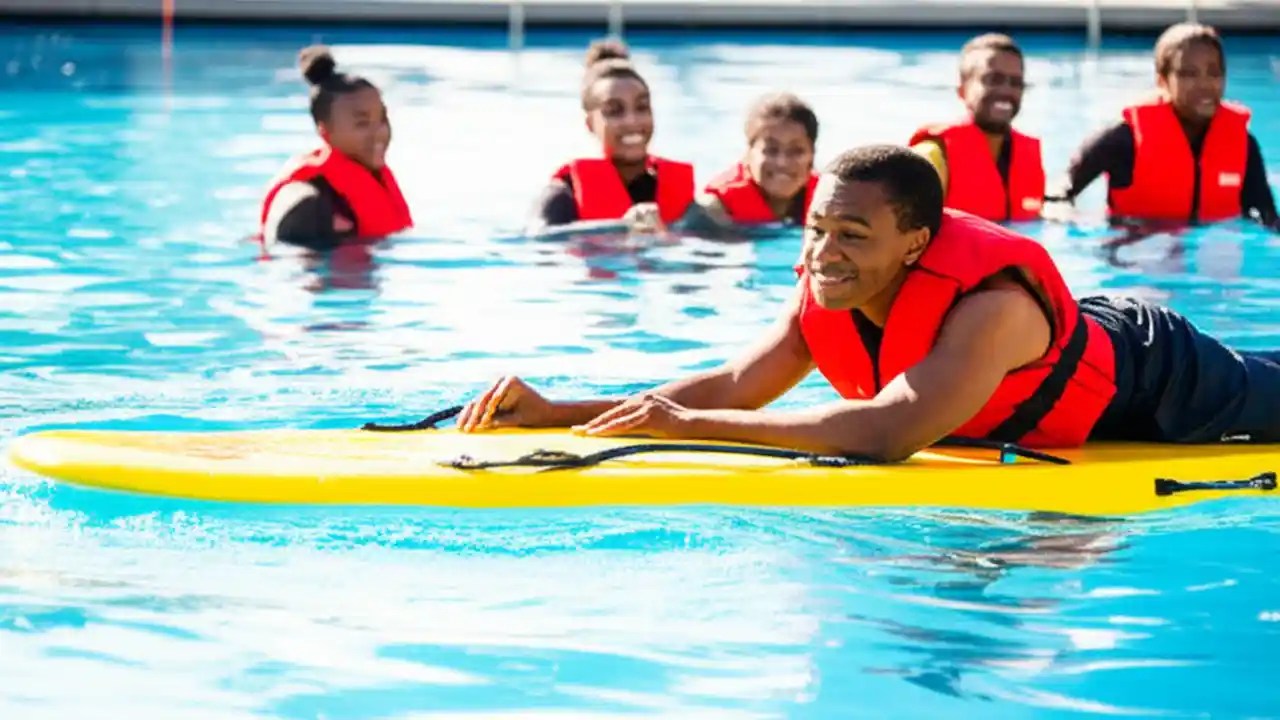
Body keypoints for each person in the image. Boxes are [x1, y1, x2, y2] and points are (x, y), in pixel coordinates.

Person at [458, 144, 1280, 460]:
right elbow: (736, 385)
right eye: (818, 228)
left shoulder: (990, 308)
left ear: (916, 244)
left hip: (1157, 378)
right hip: (1070, 384)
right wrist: (555, 410)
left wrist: (691, 432)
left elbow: (887, 433)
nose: (824, 252)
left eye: (853, 234)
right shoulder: (828, 285)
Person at [1044, 22, 1278, 229]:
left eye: (1214, 73)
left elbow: (1265, 214)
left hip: (1217, 257)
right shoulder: (1124, 138)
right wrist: (1063, 211)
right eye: (1189, 74)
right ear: (1162, 80)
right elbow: (1062, 188)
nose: (1205, 85)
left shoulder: (1243, 143)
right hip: (1137, 255)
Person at [525, 39, 696, 236]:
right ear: (590, 124)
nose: (632, 121)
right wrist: (620, 227)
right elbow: (538, 237)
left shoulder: (680, 194)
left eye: (642, 107)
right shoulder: (561, 196)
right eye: (614, 111)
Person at [258, 45, 412, 252]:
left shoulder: (372, 174)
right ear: (324, 131)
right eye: (362, 124)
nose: (380, 133)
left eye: (383, 119)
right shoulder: (309, 203)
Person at [909, 33, 1044, 223]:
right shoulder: (934, 155)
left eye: (1015, 83)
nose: (1006, 91)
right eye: (993, 79)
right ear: (962, 90)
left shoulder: (1027, 153)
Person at [693, 92, 820, 228]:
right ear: (748, 154)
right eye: (771, 150)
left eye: (796, 151)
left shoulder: (831, 200)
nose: (782, 162)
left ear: (812, 155)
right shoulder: (713, 210)